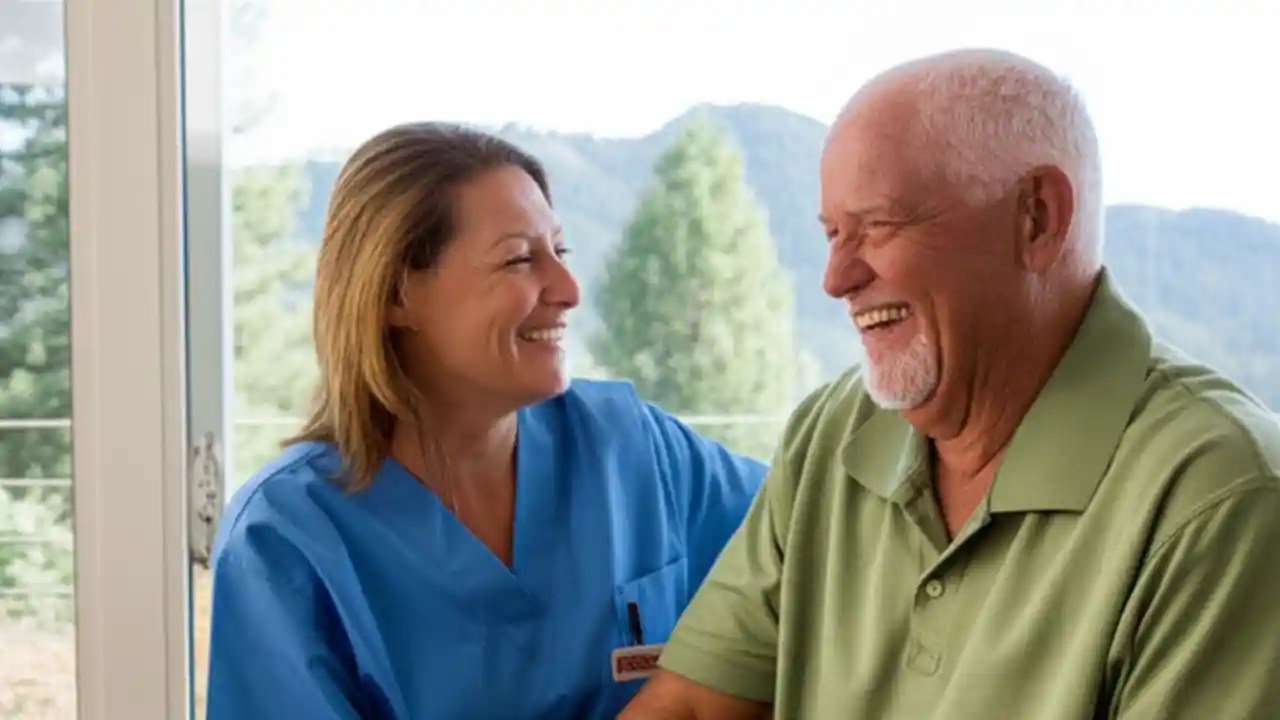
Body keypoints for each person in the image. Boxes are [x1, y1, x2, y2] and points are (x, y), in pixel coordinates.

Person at [622, 48, 1280, 719]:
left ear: (1037, 219)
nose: (836, 278)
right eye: (831, 234)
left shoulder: (1219, 492)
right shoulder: (834, 430)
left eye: (878, 226)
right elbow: (695, 706)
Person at [204, 122, 768, 719]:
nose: (569, 288)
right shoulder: (285, 539)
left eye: (561, 252)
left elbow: (813, 538)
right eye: (521, 260)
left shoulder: (635, 449)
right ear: (398, 295)